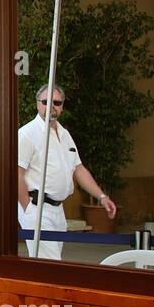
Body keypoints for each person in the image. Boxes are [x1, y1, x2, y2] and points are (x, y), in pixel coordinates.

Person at [17, 83, 116, 260]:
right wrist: (28, 209)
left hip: (57, 210)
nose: (51, 107)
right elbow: (16, 173)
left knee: (47, 265)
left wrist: (102, 197)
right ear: (38, 103)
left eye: (56, 102)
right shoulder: (27, 134)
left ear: (62, 106)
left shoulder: (65, 134)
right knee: (50, 264)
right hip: (37, 208)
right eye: (46, 101)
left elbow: (79, 169)